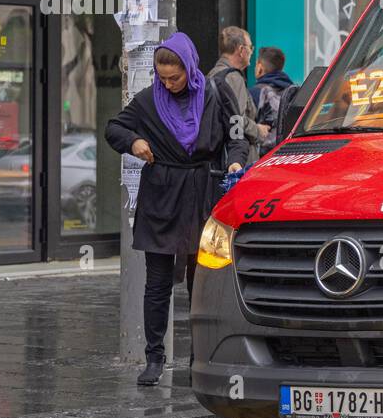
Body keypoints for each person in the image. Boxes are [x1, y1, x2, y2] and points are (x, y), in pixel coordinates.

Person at [106, 32, 248, 386]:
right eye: (162, 77)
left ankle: (201, 357)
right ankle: (154, 357)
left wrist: (234, 163)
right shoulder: (146, 102)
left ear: (189, 67)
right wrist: (134, 141)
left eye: (175, 77)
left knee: (202, 283)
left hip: (202, 192)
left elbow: (236, 137)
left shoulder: (216, 94)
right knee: (157, 284)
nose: (168, 84)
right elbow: (114, 128)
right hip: (161, 196)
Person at [208, 26, 269, 163]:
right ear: (241, 50)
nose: (252, 52)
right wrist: (258, 131)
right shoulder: (234, 78)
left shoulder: (211, 75)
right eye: (250, 47)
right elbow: (237, 119)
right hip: (237, 159)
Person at [249, 46, 294, 149]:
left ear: (260, 67)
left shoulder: (255, 92)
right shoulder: (292, 91)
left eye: (256, 64)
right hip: (286, 152)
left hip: (262, 157)